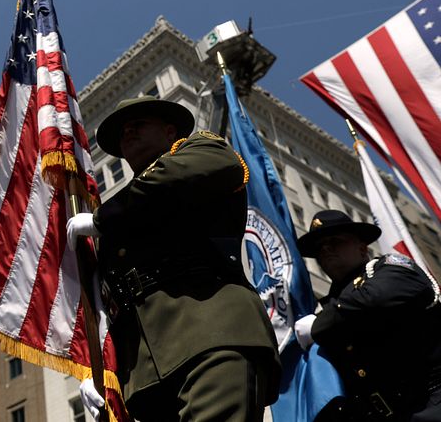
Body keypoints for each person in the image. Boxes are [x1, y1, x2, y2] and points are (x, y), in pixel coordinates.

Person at [66, 96, 280, 421]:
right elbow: (106, 304)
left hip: (210, 334)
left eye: (139, 124)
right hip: (147, 376)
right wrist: (103, 371)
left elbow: (189, 174)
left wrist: (102, 218)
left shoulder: (201, 151)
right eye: (123, 131)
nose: (129, 132)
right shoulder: (119, 216)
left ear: (169, 132)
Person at [293, 209, 441, 421]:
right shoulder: (328, 307)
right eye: (319, 248)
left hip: (430, 403)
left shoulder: (390, 268)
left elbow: (377, 297)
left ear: (362, 248)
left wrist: (319, 324)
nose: (326, 250)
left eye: (335, 241)